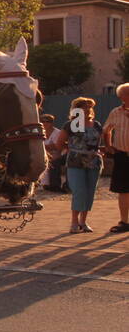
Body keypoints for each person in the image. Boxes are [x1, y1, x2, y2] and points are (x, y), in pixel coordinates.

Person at [49, 97, 104, 234]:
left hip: (93, 162)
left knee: (89, 192)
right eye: (83, 107)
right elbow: (59, 143)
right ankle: (74, 221)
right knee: (79, 191)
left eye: (88, 107)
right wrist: (71, 148)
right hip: (75, 161)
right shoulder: (72, 124)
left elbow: (97, 142)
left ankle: (83, 222)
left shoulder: (96, 124)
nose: (87, 109)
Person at [101, 83, 129, 233]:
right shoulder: (116, 112)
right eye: (126, 94)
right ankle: (124, 222)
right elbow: (106, 130)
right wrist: (108, 145)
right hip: (122, 156)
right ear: (122, 97)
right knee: (123, 190)